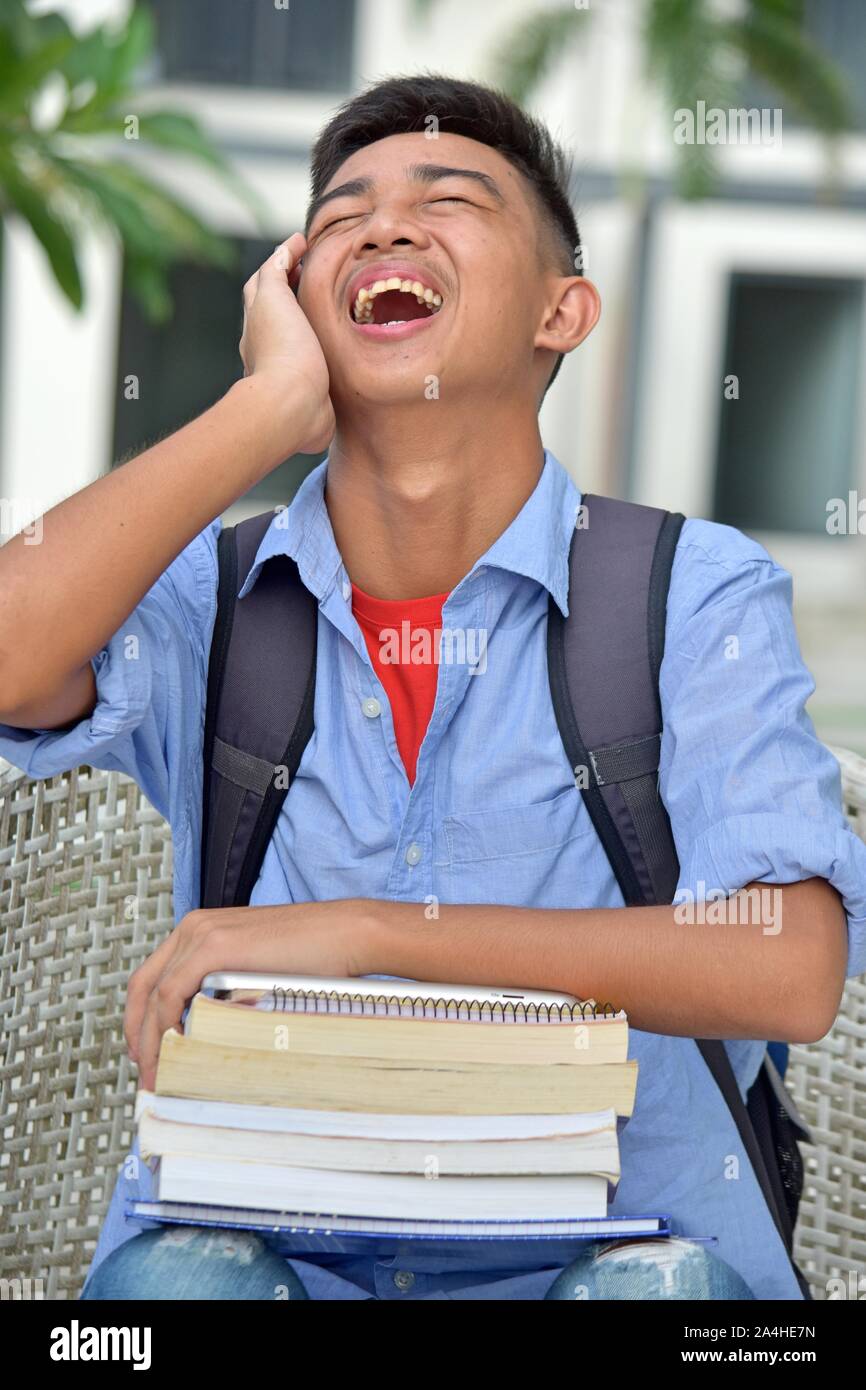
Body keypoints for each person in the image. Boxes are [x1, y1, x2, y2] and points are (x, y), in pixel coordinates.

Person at [0, 75, 863, 1303]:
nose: (384, 226)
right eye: (340, 213)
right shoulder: (214, 594)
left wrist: (367, 933)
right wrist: (261, 413)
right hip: (260, 1255)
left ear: (561, 312)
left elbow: (787, 966)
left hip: (623, 1250)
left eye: (446, 199)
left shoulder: (693, 593)